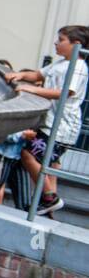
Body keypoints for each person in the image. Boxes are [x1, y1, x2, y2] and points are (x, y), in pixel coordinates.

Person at [5, 25, 89, 215]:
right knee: (50, 165)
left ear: (76, 44)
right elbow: (37, 75)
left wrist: (33, 89)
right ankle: (48, 202)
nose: (56, 43)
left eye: (61, 40)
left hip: (60, 128)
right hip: (50, 123)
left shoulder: (78, 65)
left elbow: (67, 91)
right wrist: (20, 75)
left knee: (29, 155)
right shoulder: (60, 63)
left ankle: (50, 197)